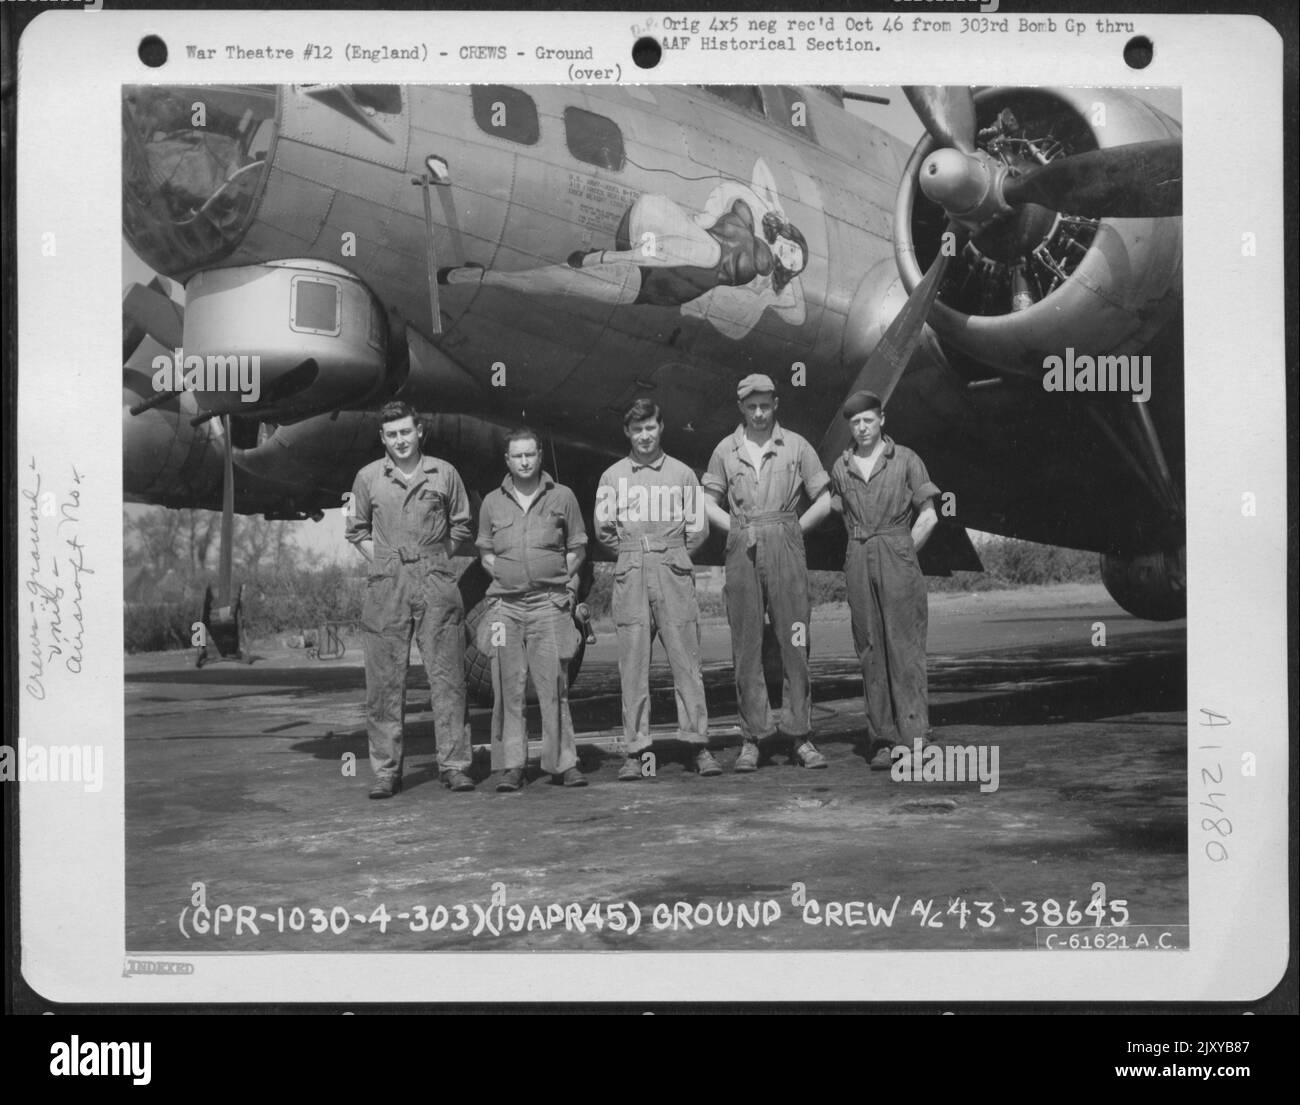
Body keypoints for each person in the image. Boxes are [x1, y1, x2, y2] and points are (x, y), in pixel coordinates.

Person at [703, 375, 833, 771]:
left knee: (794, 639)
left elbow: (824, 499)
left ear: (775, 403)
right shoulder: (725, 449)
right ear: (741, 407)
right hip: (742, 545)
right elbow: (707, 502)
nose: (758, 413)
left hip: (785, 543)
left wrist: (793, 529)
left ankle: (800, 737)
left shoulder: (796, 445)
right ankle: (752, 739)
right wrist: (738, 527)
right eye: (751, 406)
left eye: (765, 405)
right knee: (746, 644)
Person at [345, 400, 475, 798]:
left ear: (420, 431)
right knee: (384, 682)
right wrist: (384, 561)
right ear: (382, 438)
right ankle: (385, 771)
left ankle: (455, 765)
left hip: (435, 579)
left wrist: (435, 561)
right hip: (388, 584)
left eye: (406, 432)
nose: (400, 441)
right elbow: (356, 531)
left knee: (448, 678)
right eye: (392, 434)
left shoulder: (445, 473)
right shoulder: (368, 478)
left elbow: (461, 525)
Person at [595, 399, 717, 781]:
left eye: (650, 427)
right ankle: (635, 751)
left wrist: (671, 554)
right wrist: (636, 553)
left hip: (673, 569)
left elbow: (699, 529)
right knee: (632, 665)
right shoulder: (611, 477)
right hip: (631, 570)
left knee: (686, 661)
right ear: (627, 433)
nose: (644, 436)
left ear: (661, 427)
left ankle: (698, 745)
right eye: (637, 429)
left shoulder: (683, 474)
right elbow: (604, 531)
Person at [829, 391, 940, 769]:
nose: (862, 428)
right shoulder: (841, 467)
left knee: (905, 649)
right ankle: (882, 740)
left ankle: (916, 739)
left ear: (882, 420)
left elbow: (929, 515)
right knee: (871, 650)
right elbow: (839, 515)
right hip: (858, 553)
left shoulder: (907, 459)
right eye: (855, 422)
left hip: (897, 552)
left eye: (868, 420)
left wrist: (905, 552)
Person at [476, 429, 589, 792]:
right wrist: (508, 577)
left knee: (554, 685)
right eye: (516, 456)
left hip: (548, 605)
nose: (524, 461)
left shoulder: (564, 496)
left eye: (530, 454)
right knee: (507, 686)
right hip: (504, 608)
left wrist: (558, 580)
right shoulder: (492, 502)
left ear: (540, 455)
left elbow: (578, 548)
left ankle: (563, 763)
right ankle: (512, 766)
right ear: (507, 461)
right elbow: (485, 552)